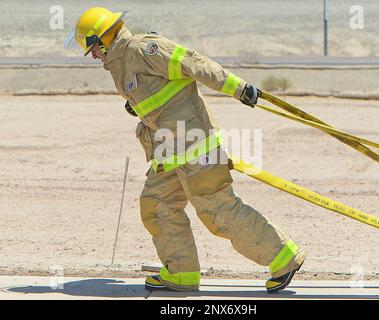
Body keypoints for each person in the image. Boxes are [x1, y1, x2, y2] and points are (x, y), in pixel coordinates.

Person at [68, 7, 306, 293]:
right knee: (157, 205)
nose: (94, 55)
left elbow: (195, 63)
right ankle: (181, 274)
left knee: (217, 210)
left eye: (94, 48)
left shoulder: (143, 48)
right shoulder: (121, 63)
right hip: (169, 151)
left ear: (106, 38)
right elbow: (158, 96)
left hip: (196, 146)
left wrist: (239, 89)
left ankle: (284, 257)